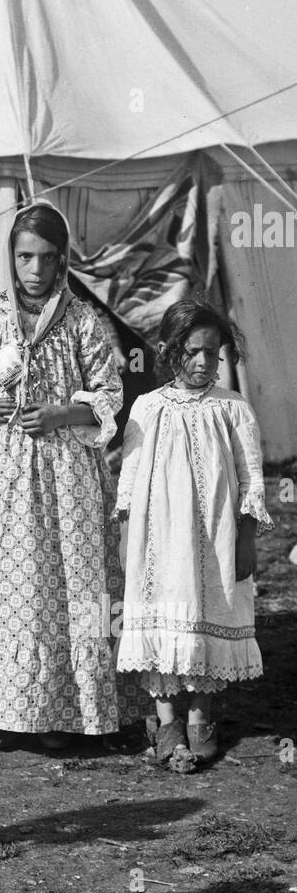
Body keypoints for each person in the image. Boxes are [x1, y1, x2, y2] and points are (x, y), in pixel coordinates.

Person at [0, 199, 143, 750]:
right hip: (4, 473)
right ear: (11, 260)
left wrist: (66, 412)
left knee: (66, 584)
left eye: (46, 257)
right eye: (24, 257)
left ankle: (62, 711)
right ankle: (2, 706)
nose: (35, 270)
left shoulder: (83, 321)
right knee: (6, 584)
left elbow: (114, 394)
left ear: (63, 259)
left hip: (68, 471)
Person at [115, 298, 267, 764]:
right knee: (160, 616)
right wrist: (126, 541)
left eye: (212, 353)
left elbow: (251, 477)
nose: (203, 362)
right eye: (192, 351)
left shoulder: (233, 408)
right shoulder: (147, 407)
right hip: (159, 539)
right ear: (168, 350)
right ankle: (165, 721)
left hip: (214, 538)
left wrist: (245, 537)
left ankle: (200, 715)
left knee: (208, 611)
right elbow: (130, 479)